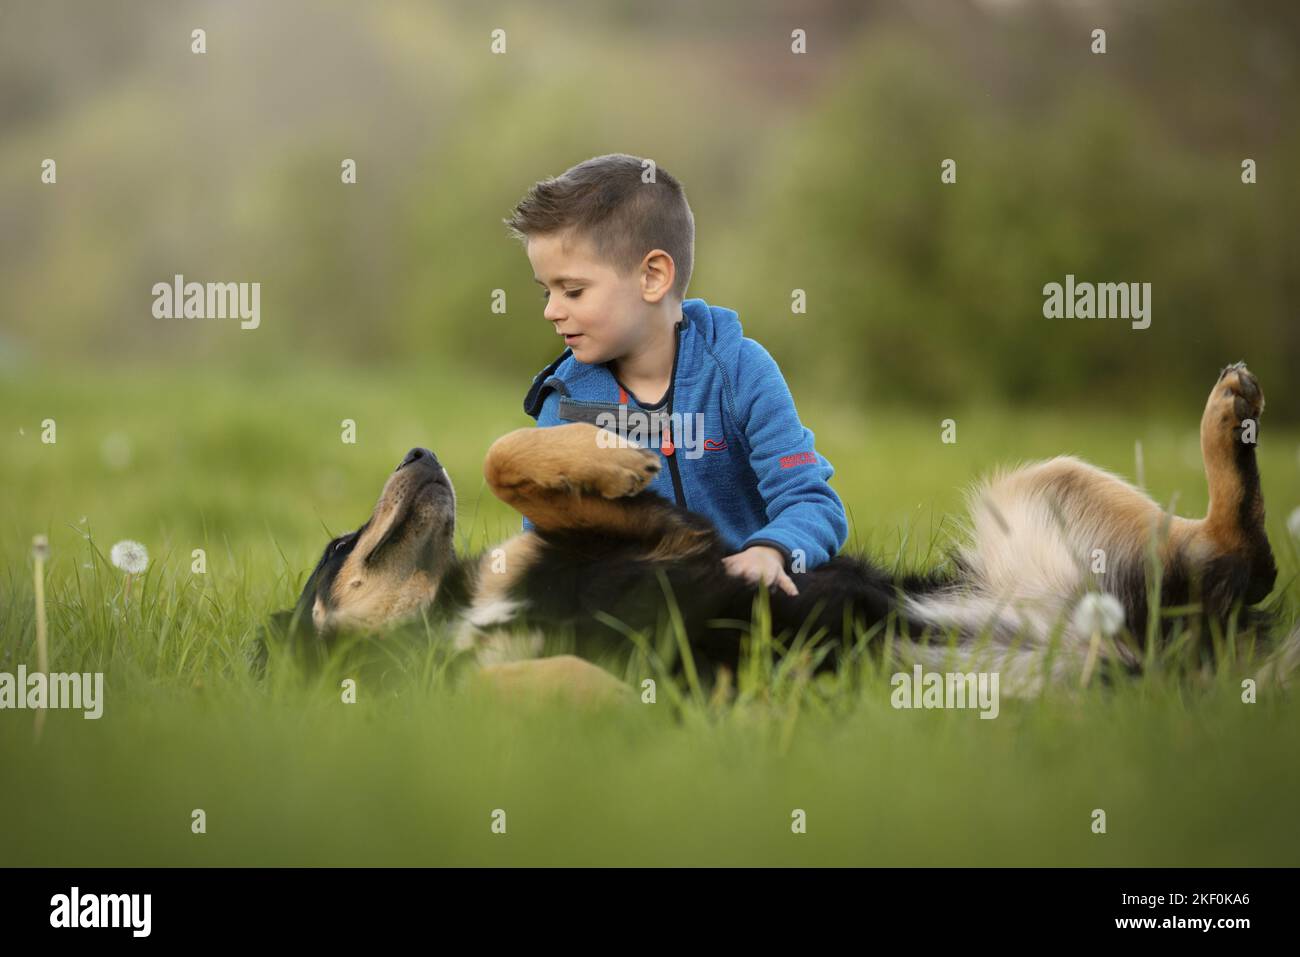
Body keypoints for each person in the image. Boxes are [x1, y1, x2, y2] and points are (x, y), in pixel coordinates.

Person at [503, 153, 847, 596]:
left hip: (752, 601)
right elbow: (547, 544)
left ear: (653, 276)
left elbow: (812, 501)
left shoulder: (742, 371)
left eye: (573, 290)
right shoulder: (565, 402)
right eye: (546, 291)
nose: (551, 310)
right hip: (635, 611)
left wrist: (771, 551)